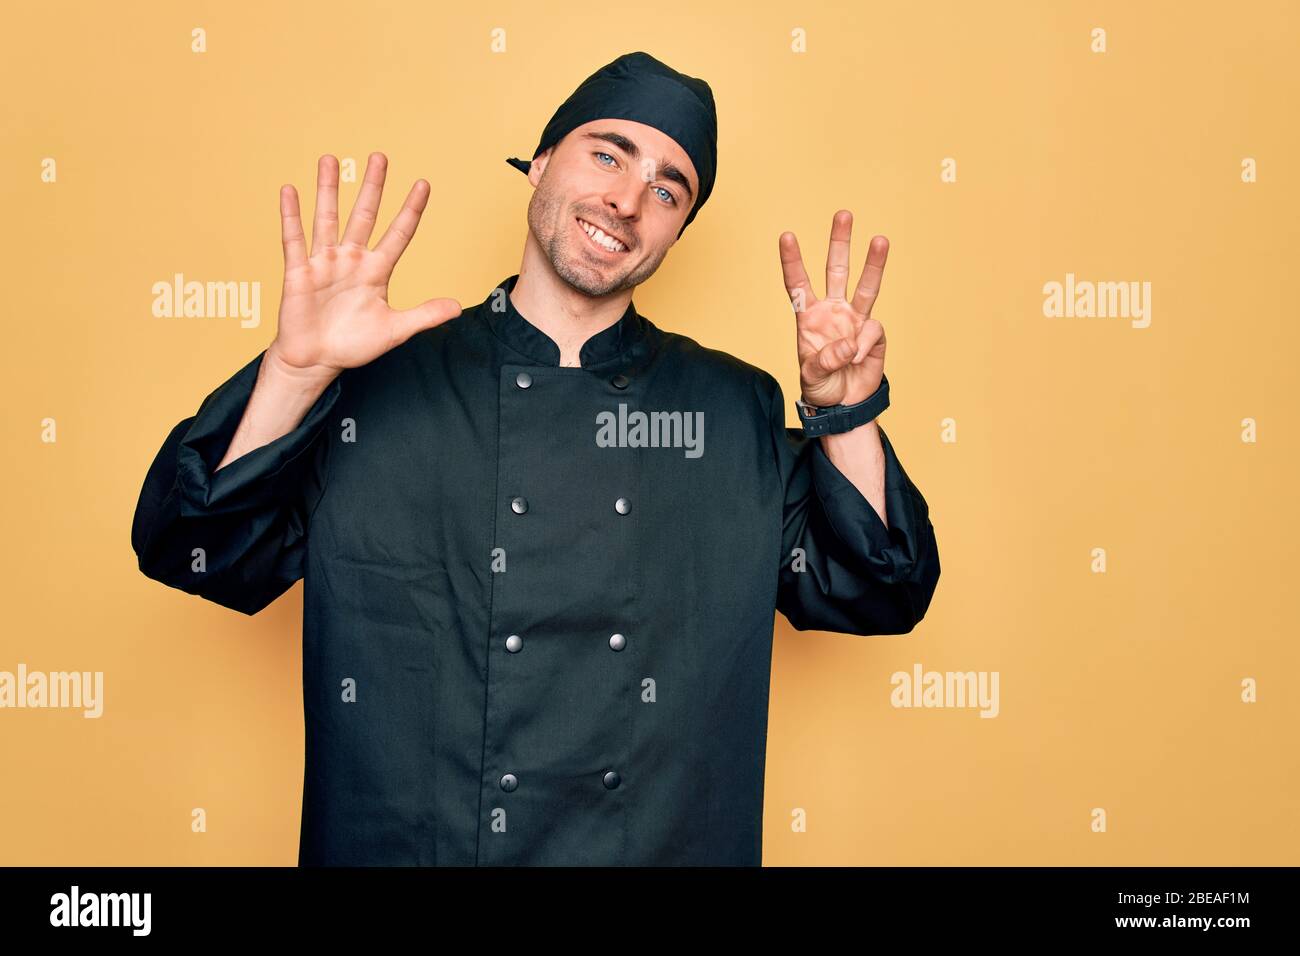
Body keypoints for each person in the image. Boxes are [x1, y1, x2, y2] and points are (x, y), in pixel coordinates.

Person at [131, 50, 940, 866]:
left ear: (676, 231)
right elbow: (193, 552)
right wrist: (295, 373)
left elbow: (882, 587)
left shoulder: (731, 411)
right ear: (542, 160)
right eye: (607, 153)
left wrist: (844, 413)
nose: (627, 199)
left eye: (667, 189)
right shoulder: (379, 387)